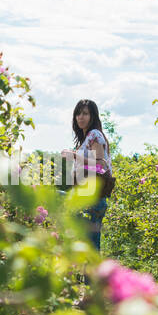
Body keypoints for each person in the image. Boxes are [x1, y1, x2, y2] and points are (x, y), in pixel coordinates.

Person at [65, 98, 111, 251]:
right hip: (87, 196)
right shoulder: (85, 139)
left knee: (90, 249)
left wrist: (73, 155)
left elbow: (99, 163)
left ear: (93, 117)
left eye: (85, 113)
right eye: (78, 114)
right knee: (88, 249)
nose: (80, 117)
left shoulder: (94, 134)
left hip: (93, 198)